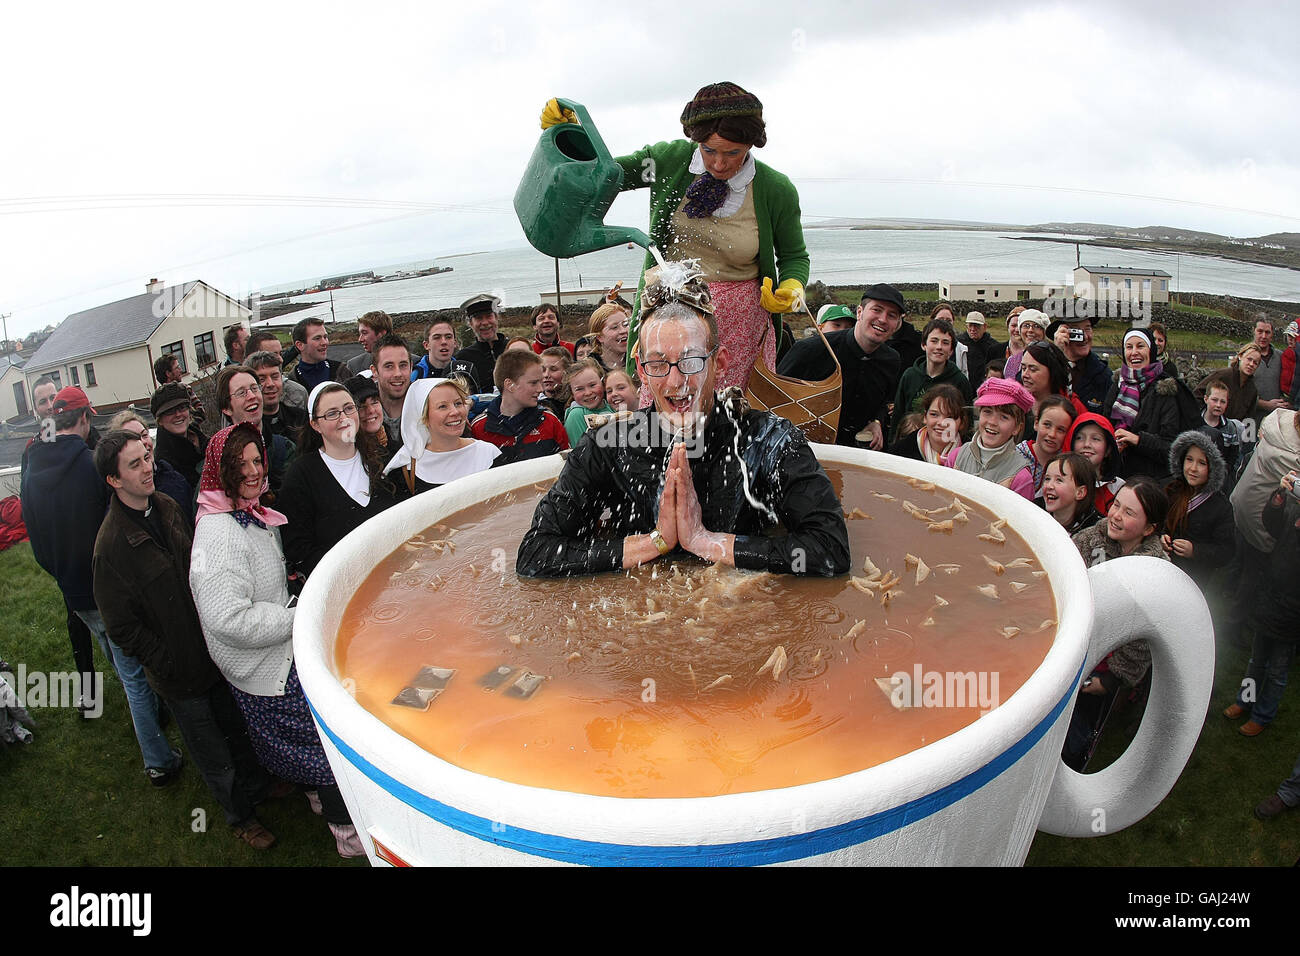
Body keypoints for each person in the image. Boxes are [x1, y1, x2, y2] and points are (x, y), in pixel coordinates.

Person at [517, 266, 850, 578]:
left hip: (737, 613)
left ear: (718, 363)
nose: (677, 382)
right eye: (659, 364)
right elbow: (536, 554)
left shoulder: (768, 439)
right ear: (641, 369)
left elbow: (830, 551)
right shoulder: (609, 445)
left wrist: (706, 541)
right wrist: (654, 542)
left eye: (691, 361)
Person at [91, 430, 286, 849]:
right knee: (211, 751)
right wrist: (166, 661)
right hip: (178, 672)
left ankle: (259, 785)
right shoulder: (111, 547)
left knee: (236, 729)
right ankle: (241, 817)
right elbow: (121, 627)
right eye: (134, 464)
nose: (148, 468)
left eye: (146, 457)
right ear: (113, 480)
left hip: (210, 650)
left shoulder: (165, 507)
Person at [189, 423, 364, 857]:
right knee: (324, 752)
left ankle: (318, 799)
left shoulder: (244, 512)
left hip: (276, 654)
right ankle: (347, 835)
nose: (252, 471)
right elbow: (228, 618)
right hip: (265, 668)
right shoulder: (219, 534)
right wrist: (298, 615)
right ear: (219, 471)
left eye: (256, 460)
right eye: (239, 464)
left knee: (304, 749)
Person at [588, 81, 809, 390]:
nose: (719, 163)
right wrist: (572, 137)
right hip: (669, 315)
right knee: (669, 410)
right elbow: (606, 173)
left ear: (752, 145)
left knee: (733, 419)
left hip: (741, 327)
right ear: (696, 140)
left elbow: (794, 256)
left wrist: (792, 287)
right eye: (709, 150)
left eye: (733, 153)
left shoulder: (775, 188)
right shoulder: (667, 162)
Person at [20, 387, 181, 783]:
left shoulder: (30, 464)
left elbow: (34, 536)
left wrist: (60, 576)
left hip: (72, 591)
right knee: (133, 674)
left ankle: (157, 717)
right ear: (86, 418)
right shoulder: (89, 465)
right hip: (106, 587)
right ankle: (158, 759)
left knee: (117, 656)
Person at [1064, 478, 1170, 770]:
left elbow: (1146, 636)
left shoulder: (1155, 573)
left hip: (1107, 665)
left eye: (1130, 513)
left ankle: (1075, 762)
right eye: (1116, 505)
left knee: (1082, 729)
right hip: (1076, 648)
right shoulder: (1089, 539)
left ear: (1150, 529)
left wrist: (1113, 678)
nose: (1116, 515)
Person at [278, 383, 401, 578]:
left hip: (395, 574)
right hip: (344, 586)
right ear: (315, 424)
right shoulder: (301, 475)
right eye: (332, 413)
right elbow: (298, 547)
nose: (344, 418)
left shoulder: (382, 459)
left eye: (349, 408)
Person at [778, 283, 904, 449]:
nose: (882, 319)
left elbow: (882, 401)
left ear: (897, 324)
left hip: (856, 452)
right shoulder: (811, 350)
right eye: (877, 310)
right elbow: (776, 395)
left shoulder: (892, 361)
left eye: (892, 315)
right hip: (803, 448)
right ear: (860, 312)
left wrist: (876, 421)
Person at [1222, 468, 1298, 737]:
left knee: (1277, 670)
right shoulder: (1295, 504)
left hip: (1293, 611)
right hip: (1270, 598)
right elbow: (1272, 524)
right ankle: (1246, 700)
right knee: (1256, 660)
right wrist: (1279, 497)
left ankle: (1263, 715)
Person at [1224, 408, 1300, 649]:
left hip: (1244, 498)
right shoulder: (1292, 457)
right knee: (1254, 573)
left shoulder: (1279, 419)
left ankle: (1227, 592)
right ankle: (1234, 623)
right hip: (1261, 512)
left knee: (1241, 557)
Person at [1102, 327, 1199, 479]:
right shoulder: (1117, 385)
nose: (1134, 352)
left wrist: (1137, 440)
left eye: (1140, 346)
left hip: (1151, 482)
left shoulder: (1165, 390)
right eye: (1129, 347)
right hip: (1116, 475)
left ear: (1151, 351)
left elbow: (1172, 447)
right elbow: (1105, 424)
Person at [384, 378, 501, 494]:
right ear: (423, 416)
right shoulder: (405, 470)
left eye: (458, 403)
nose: (455, 412)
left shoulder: (488, 454)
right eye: (443, 406)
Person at [1159, 430, 1234, 591]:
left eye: (1202, 463)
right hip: (1162, 569)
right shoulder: (1170, 488)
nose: (1193, 468)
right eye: (1189, 459)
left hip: (1193, 580)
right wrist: (1161, 536)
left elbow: (1226, 551)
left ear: (1214, 467)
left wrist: (1195, 551)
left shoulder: (1221, 507)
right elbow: (1154, 521)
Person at [469, 349, 568, 464]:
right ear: (510, 385)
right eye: (533, 383)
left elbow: (567, 467)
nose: (540, 389)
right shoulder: (480, 428)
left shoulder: (549, 422)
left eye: (540, 382)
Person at [889, 318, 972, 444]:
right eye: (934, 341)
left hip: (946, 447)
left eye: (945, 343)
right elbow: (898, 416)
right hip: (910, 444)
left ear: (950, 351)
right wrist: (892, 447)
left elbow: (966, 423)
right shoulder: (910, 376)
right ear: (924, 345)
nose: (939, 347)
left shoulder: (960, 381)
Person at [216, 365, 295, 496]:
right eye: (241, 393)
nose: (252, 396)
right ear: (226, 408)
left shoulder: (286, 449)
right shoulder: (217, 461)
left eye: (255, 388)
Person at [943, 377, 1035, 485]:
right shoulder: (957, 456)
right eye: (987, 412)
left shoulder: (1020, 477)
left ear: (1017, 428)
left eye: (1004, 417)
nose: (992, 422)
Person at [107, 410, 193, 523]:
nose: (143, 442)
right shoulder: (119, 511)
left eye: (144, 435)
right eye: (133, 439)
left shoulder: (175, 478)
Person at [1010, 395, 1078, 501]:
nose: (1052, 434)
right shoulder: (1014, 456)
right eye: (1047, 425)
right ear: (1036, 423)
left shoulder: (1067, 466)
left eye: (1061, 430)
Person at [886, 383, 967, 464]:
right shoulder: (899, 452)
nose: (942, 423)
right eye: (934, 414)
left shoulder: (971, 455)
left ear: (962, 422)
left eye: (950, 417)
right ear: (925, 416)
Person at [1046, 314, 1110, 414]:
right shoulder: (1047, 368)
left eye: (1087, 329)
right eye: (1076, 331)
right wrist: (1056, 352)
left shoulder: (1104, 375)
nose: (1084, 337)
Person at [151, 383, 208, 488]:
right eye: (169, 411)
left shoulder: (202, 440)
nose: (178, 414)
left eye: (182, 407)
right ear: (160, 420)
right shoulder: (165, 465)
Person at [1067, 411, 1124, 515]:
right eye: (1079, 438)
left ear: (1107, 450)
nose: (1087, 444)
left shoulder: (1119, 489)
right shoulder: (1057, 480)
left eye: (1095, 439)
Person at [245, 350, 307, 445]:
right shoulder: (248, 429)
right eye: (261, 379)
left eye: (275, 377)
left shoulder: (300, 418)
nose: (270, 384)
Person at [411, 316, 480, 391]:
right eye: (437, 337)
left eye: (448, 337)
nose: (444, 342)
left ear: (455, 343)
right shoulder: (416, 375)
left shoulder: (466, 371)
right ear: (426, 345)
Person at [455, 293, 508, 390]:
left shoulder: (512, 348)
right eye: (479, 318)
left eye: (489, 316)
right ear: (470, 323)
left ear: (496, 318)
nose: (485, 323)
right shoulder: (463, 358)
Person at [248, 330, 309, 411]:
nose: (281, 360)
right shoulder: (236, 396)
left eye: (280, 353)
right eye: (273, 355)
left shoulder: (297, 393)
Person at [370, 332, 413, 446]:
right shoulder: (362, 413)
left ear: (411, 367)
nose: (397, 373)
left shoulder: (427, 404)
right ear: (374, 371)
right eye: (389, 366)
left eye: (403, 365)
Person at [1198, 377, 1243, 485]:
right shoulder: (1195, 423)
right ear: (1206, 399)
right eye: (1214, 400)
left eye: (1223, 401)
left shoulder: (1231, 428)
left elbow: (1233, 456)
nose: (1218, 405)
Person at [1042, 453, 1100, 535]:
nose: (1049, 486)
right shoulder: (1033, 512)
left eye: (1059, 480)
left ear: (1080, 492)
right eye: (1047, 479)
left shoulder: (1095, 532)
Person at [563, 358, 614, 448]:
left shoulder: (612, 406)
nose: (588, 393)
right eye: (579, 389)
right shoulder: (576, 415)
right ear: (572, 393)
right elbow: (583, 453)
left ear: (603, 383)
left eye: (592, 385)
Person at [1249, 316, 1289, 422]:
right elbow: (1236, 392)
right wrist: (1265, 404)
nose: (1263, 336)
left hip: (1275, 420)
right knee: (1248, 439)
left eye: (1267, 332)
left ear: (1272, 335)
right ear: (1253, 331)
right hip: (1249, 419)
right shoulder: (1244, 358)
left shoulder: (1281, 357)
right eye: (1260, 331)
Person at [289, 318, 346, 391]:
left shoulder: (342, 371)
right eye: (317, 338)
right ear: (300, 345)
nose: (324, 342)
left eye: (325, 337)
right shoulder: (292, 382)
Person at [152, 354, 206, 423]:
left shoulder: (186, 389)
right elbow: (201, 413)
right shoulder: (184, 390)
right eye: (177, 367)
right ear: (168, 373)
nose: (181, 370)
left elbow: (200, 413)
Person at [587, 302, 632, 375]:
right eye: (614, 327)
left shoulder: (639, 362)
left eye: (625, 324)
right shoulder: (588, 370)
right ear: (599, 337)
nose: (623, 331)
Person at [1003, 309, 1048, 382]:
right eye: (1026, 326)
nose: (1030, 330)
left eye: (1036, 326)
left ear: (1043, 332)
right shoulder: (1013, 361)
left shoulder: (1052, 357)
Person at [345, 310, 393, 376]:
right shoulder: (354, 366)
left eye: (364, 333)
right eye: (360, 334)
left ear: (381, 333)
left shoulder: (411, 361)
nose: (360, 339)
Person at [956, 309, 995, 387]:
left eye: (976, 326)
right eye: (970, 325)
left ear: (984, 327)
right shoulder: (958, 343)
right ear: (966, 326)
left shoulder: (993, 346)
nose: (973, 329)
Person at [538, 346, 571, 417]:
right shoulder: (532, 403)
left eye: (553, 369)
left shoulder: (576, 402)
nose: (546, 375)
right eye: (543, 370)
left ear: (567, 372)